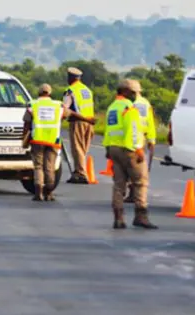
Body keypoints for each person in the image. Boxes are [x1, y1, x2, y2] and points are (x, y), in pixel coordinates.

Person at [22, 84, 95, 201]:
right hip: (53, 141)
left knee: (38, 167)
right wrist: (87, 120)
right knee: (50, 167)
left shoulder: (33, 105)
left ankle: (38, 193)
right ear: (50, 93)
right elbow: (71, 113)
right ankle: (49, 193)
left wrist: (23, 138)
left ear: (39, 93)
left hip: (37, 140)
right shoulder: (58, 106)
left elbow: (26, 123)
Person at [103, 79, 158, 229]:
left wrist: (108, 149)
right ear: (125, 92)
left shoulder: (112, 107)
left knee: (119, 185)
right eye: (133, 92)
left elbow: (109, 130)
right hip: (129, 150)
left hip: (113, 148)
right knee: (141, 182)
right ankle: (141, 216)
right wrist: (138, 149)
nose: (136, 95)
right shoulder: (129, 108)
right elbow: (133, 130)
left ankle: (118, 218)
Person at [63, 67, 96, 184]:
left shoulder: (70, 91)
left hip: (78, 122)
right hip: (90, 122)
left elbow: (65, 108)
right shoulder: (87, 90)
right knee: (83, 149)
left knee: (77, 148)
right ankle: (77, 172)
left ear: (71, 78)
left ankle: (81, 174)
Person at [124, 90, 157, 203]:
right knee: (140, 169)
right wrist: (151, 140)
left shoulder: (127, 103)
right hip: (142, 138)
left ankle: (133, 194)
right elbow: (150, 123)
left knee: (130, 167)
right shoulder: (146, 103)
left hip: (131, 139)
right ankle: (137, 194)